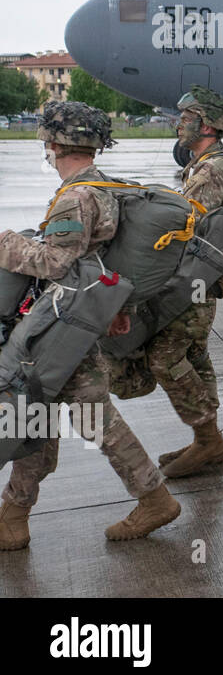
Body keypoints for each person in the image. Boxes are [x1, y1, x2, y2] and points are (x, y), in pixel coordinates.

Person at [0, 102, 181, 548]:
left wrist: (6, 244)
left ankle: (153, 499)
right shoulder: (103, 188)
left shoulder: (76, 196)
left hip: (63, 325)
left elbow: (56, 261)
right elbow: (100, 261)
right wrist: (115, 312)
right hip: (76, 320)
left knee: (59, 411)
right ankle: (14, 516)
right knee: (42, 410)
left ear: (55, 143)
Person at [146, 87, 223, 478]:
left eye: (186, 117)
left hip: (194, 279)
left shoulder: (213, 170)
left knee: (165, 359)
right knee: (196, 358)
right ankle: (208, 443)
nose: (178, 123)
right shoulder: (204, 165)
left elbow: (190, 224)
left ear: (205, 124)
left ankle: (208, 440)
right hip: (201, 278)